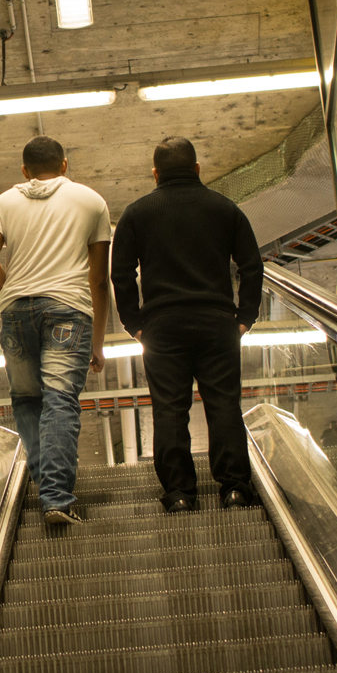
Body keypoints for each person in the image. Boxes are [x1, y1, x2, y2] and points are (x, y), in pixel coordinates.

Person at [111, 135, 262, 511]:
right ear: (197, 169)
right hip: (217, 322)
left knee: (169, 408)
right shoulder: (225, 209)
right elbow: (252, 266)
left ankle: (179, 493)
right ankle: (234, 489)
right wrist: (245, 317)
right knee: (224, 404)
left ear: (155, 174)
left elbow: (121, 274)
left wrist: (135, 324)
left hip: (162, 325)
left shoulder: (136, 213)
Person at [0, 135, 110, 534]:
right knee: (60, 401)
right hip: (68, 309)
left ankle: (45, 486)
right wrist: (98, 342)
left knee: (28, 400)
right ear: (65, 165)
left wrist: (11, 291)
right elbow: (99, 279)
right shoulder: (91, 201)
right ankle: (55, 496)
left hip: (17, 310)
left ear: (24, 171)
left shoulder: (2, 202)